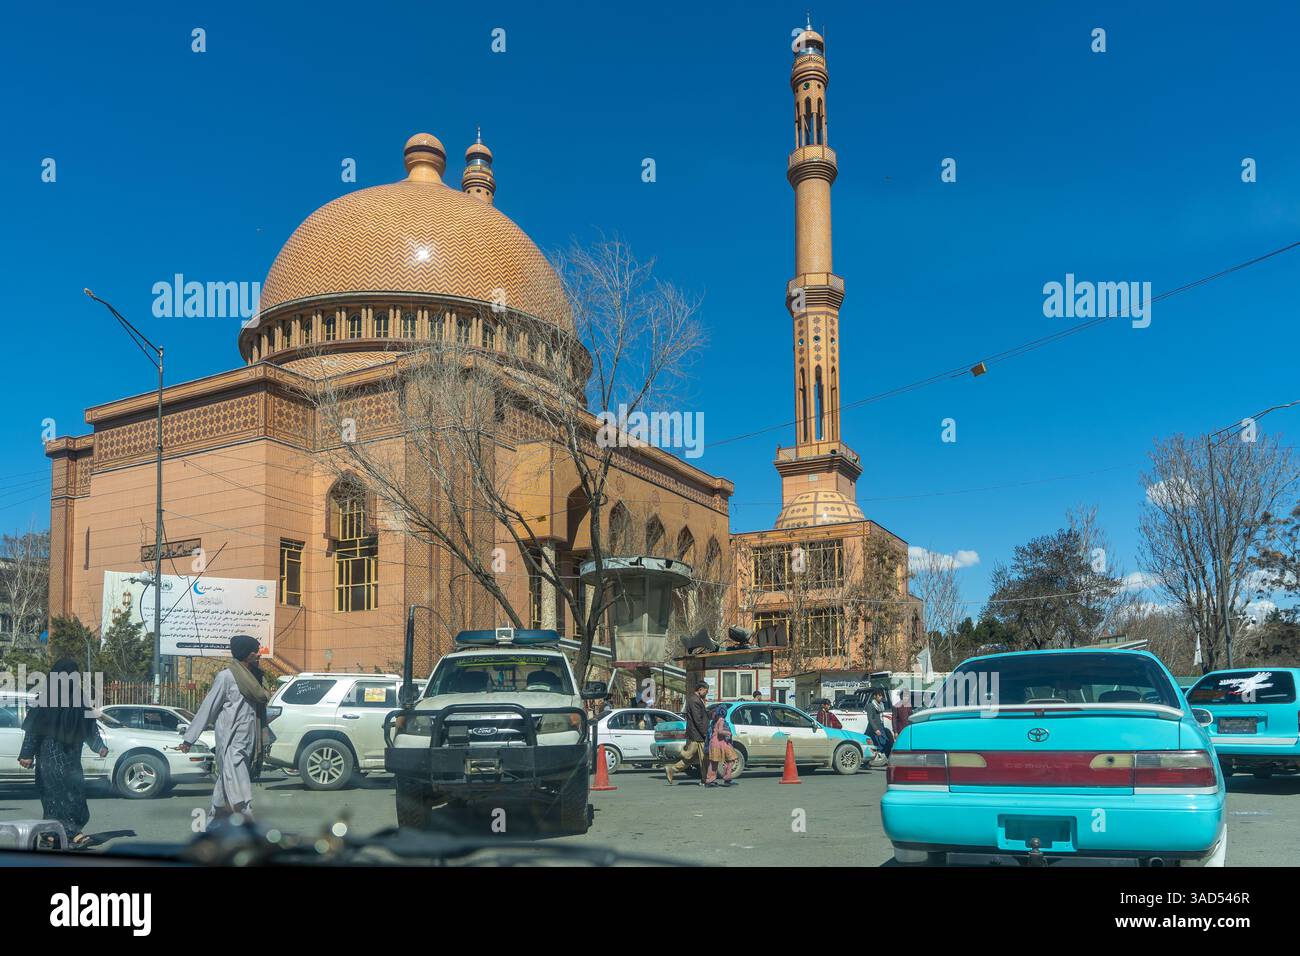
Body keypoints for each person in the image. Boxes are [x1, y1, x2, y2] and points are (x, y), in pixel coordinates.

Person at [17, 659, 109, 849]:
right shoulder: (45, 699)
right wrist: (26, 754)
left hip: (71, 757)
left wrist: (98, 745)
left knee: (75, 794)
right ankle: (68, 834)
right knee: (55, 797)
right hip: (49, 756)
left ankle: (53, 835)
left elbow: (90, 725)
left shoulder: (79, 698)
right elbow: (34, 730)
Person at [180, 634, 269, 825]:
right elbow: (208, 708)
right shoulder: (226, 677)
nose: (258, 654)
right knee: (239, 787)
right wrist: (189, 739)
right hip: (231, 742)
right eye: (255, 651)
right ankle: (249, 827)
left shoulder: (256, 678)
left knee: (225, 783)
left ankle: (213, 823)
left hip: (249, 741)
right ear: (246, 653)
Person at [665, 681, 710, 786]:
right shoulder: (694, 700)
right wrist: (704, 733)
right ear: (700, 690)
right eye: (706, 691)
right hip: (697, 735)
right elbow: (697, 719)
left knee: (691, 757)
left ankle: (672, 769)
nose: (706, 693)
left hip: (696, 734)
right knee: (704, 758)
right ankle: (705, 779)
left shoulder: (696, 699)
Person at [704, 704, 737, 787]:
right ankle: (723, 778)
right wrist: (728, 733)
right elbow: (720, 731)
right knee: (730, 759)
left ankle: (712, 779)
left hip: (717, 743)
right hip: (719, 743)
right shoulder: (721, 720)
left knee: (715, 762)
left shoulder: (715, 720)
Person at [867, 689, 893, 756]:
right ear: (875, 696)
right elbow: (870, 718)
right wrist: (876, 729)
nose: (881, 697)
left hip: (881, 726)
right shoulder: (871, 705)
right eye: (879, 695)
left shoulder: (881, 705)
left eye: (881, 696)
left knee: (885, 743)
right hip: (876, 728)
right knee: (879, 744)